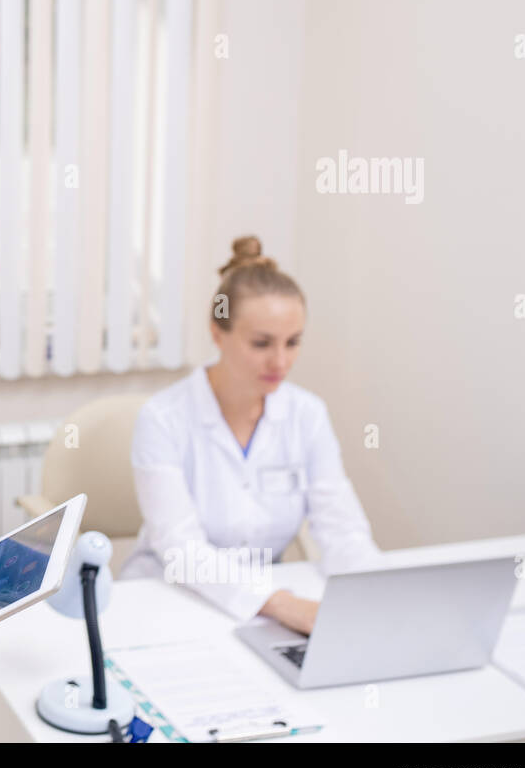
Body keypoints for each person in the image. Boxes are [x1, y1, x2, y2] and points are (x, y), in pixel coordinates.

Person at [118, 236, 381, 635]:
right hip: (167, 600)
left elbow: (342, 529)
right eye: (261, 343)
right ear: (218, 332)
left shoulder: (307, 415)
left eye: (293, 343)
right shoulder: (163, 419)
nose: (280, 361)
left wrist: (376, 595)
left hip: (261, 610)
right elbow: (181, 548)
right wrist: (281, 604)